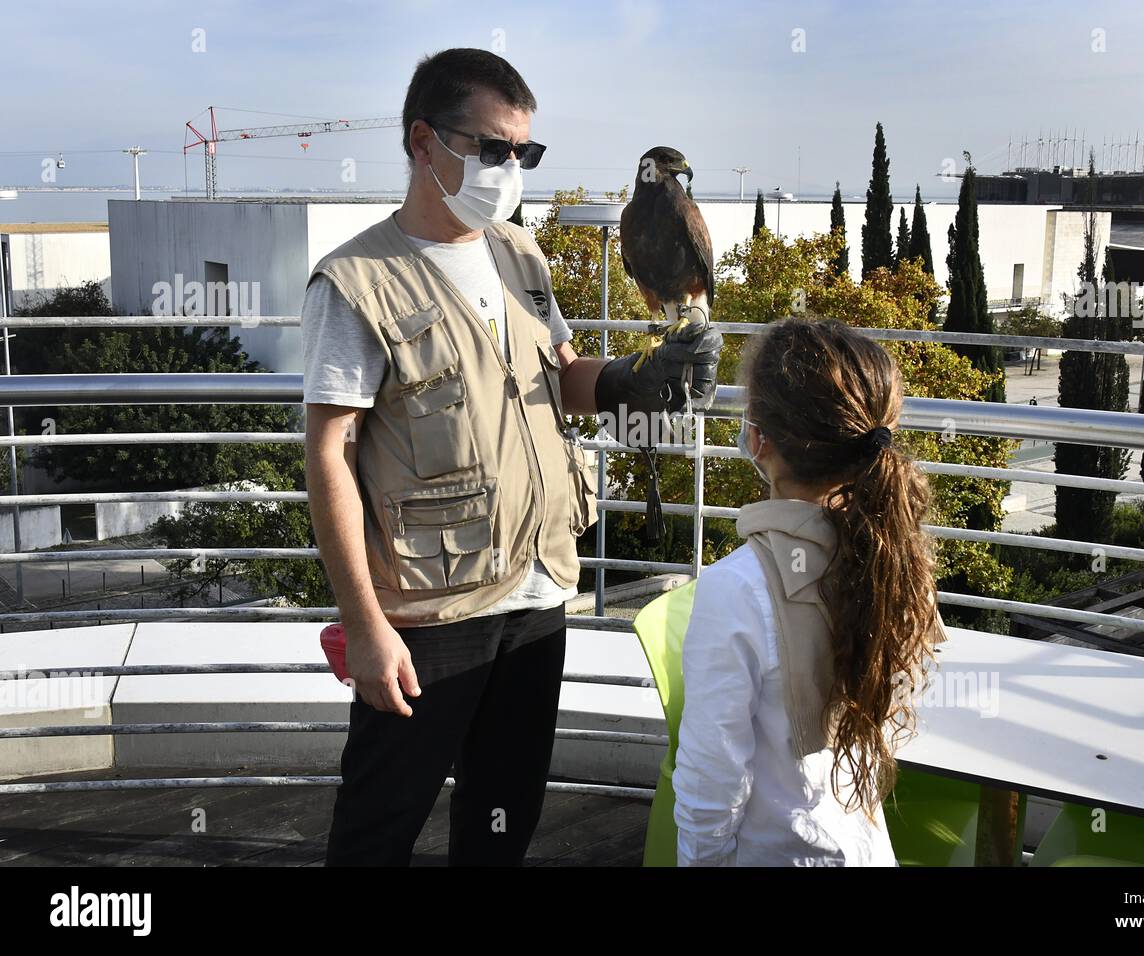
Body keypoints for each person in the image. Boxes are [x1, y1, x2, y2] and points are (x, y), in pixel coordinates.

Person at [302, 47, 721, 866]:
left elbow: (561, 381)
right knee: (378, 826)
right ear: (424, 143)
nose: (510, 169)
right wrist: (365, 623)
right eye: (492, 148)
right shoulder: (356, 283)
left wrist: (640, 377)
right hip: (430, 614)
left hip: (537, 587)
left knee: (503, 818)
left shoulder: (518, 255)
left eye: (523, 153)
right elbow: (328, 458)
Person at [672, 316, 947, 866]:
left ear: (759, 439)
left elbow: (709, 789)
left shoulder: (735, 589)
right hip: (862, 848)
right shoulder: (889, 556)